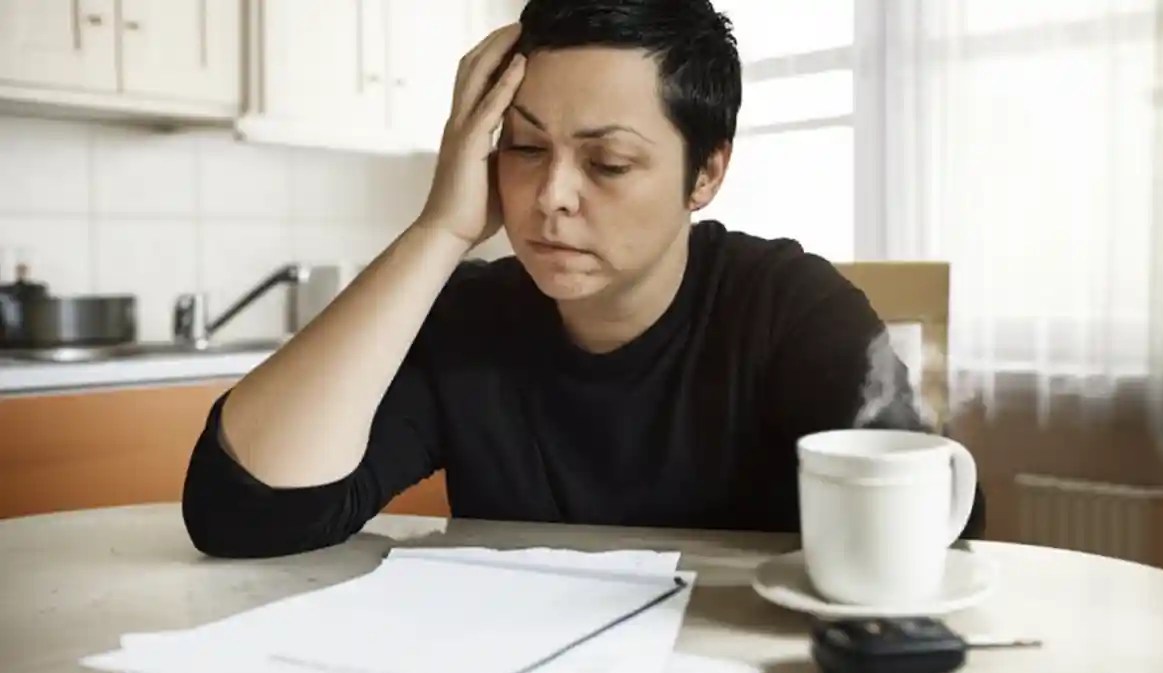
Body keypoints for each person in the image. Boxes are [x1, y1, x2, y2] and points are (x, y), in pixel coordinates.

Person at [182, 0, 984, 559]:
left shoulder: (786, 306)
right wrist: (439, 231)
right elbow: (244, 513)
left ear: (706, 173)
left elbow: (939, 517)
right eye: (525, 148)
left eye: (607, 162)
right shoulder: (474, 316)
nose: (551, 195)